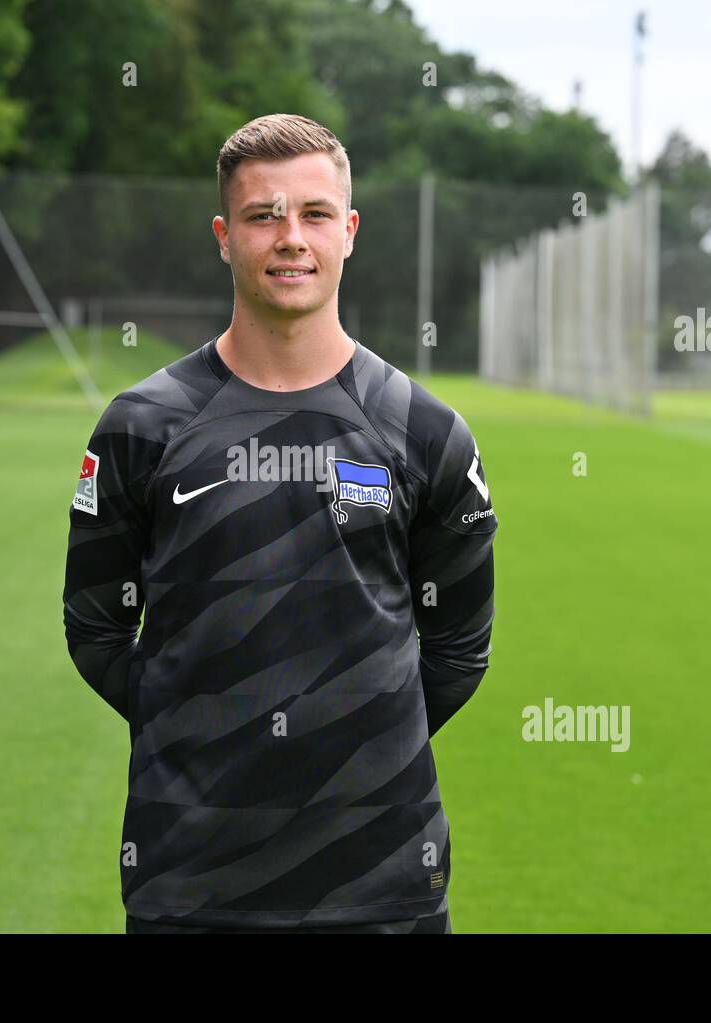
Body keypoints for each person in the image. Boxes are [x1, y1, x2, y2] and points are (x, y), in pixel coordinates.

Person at [63, 114, 496, 934]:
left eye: (314, 213)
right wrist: (202, 732)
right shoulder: (141, 427)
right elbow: (94, 629)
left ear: (349, 231)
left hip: (382, 880)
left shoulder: (426, 431)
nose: (290, 236)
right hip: (190, 880)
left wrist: (348, 744)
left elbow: (457, 650)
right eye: (264, 215)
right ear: (225, 237)